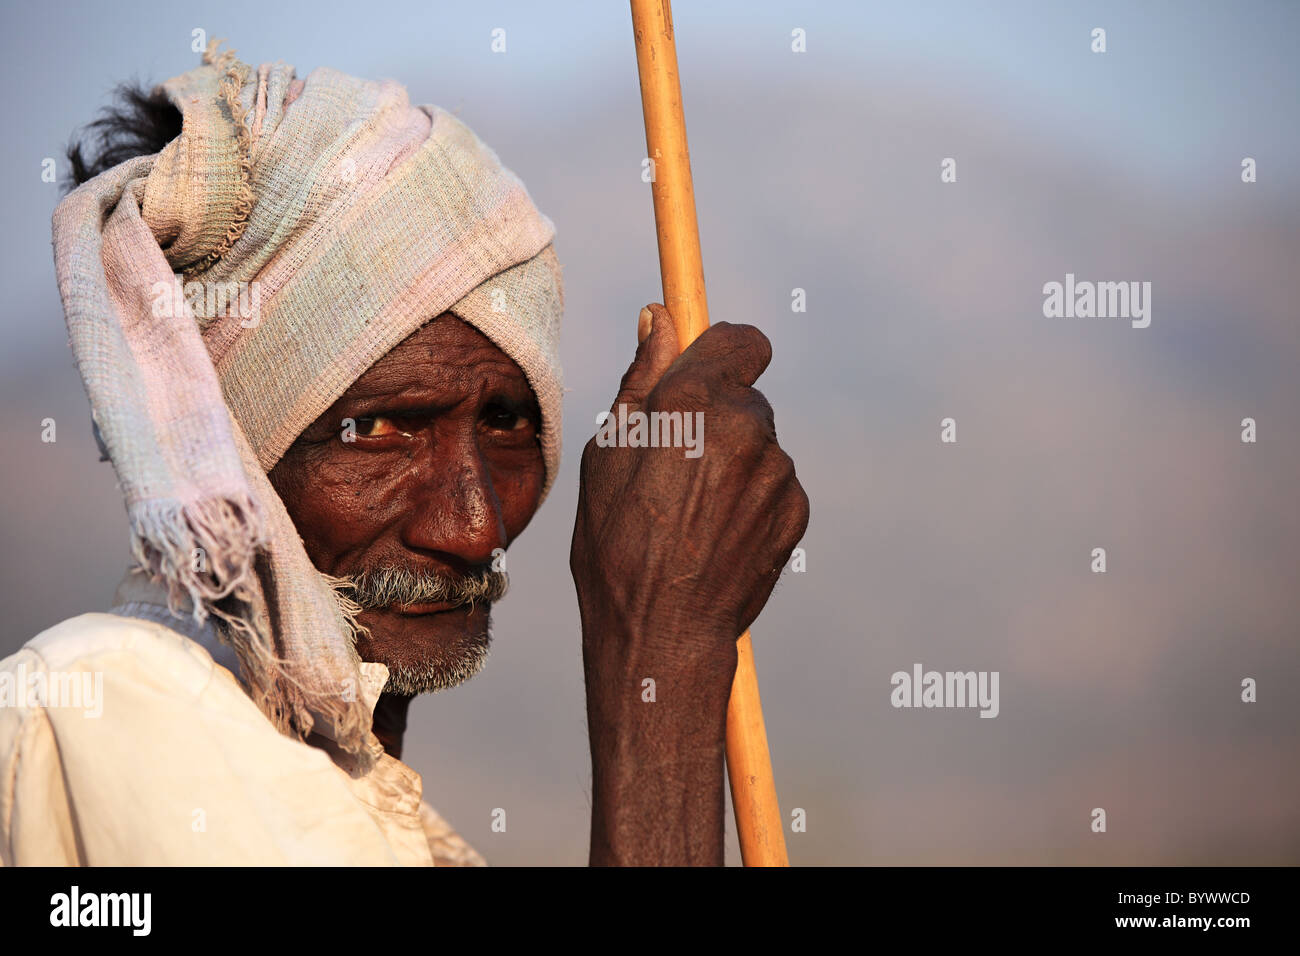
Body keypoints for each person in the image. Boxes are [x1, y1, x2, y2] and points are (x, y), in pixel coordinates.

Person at [0, 43, 808, 866]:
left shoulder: (398, 830)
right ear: (233, 444)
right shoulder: (107, 708)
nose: (473, 526)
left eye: (505, 422)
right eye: (383, 432)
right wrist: (660, 659)